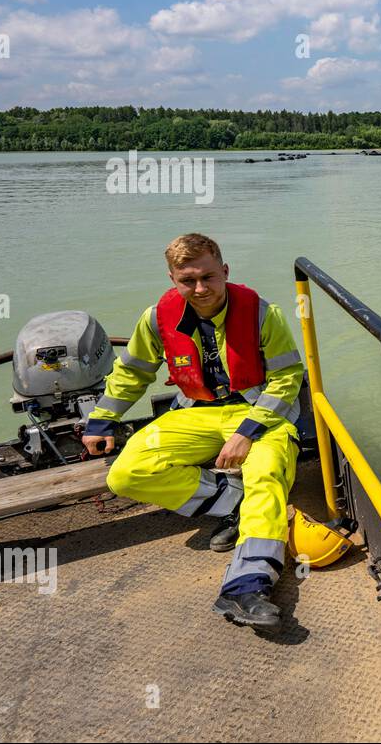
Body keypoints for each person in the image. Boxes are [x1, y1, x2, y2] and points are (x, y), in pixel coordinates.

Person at [81, 233, 304, 628]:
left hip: (258, 412)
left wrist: (248, 431)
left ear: (225, 272)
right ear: (173, 279)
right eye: (188, 281)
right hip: (195, 412)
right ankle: (234, 503)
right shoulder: (155, 318)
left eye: (208, 277)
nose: (200, 289)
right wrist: (102, 419)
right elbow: (133, 371)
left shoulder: (263, 314)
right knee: (126, 472)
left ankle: (247, 586)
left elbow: (287, 378)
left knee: (266, 472)